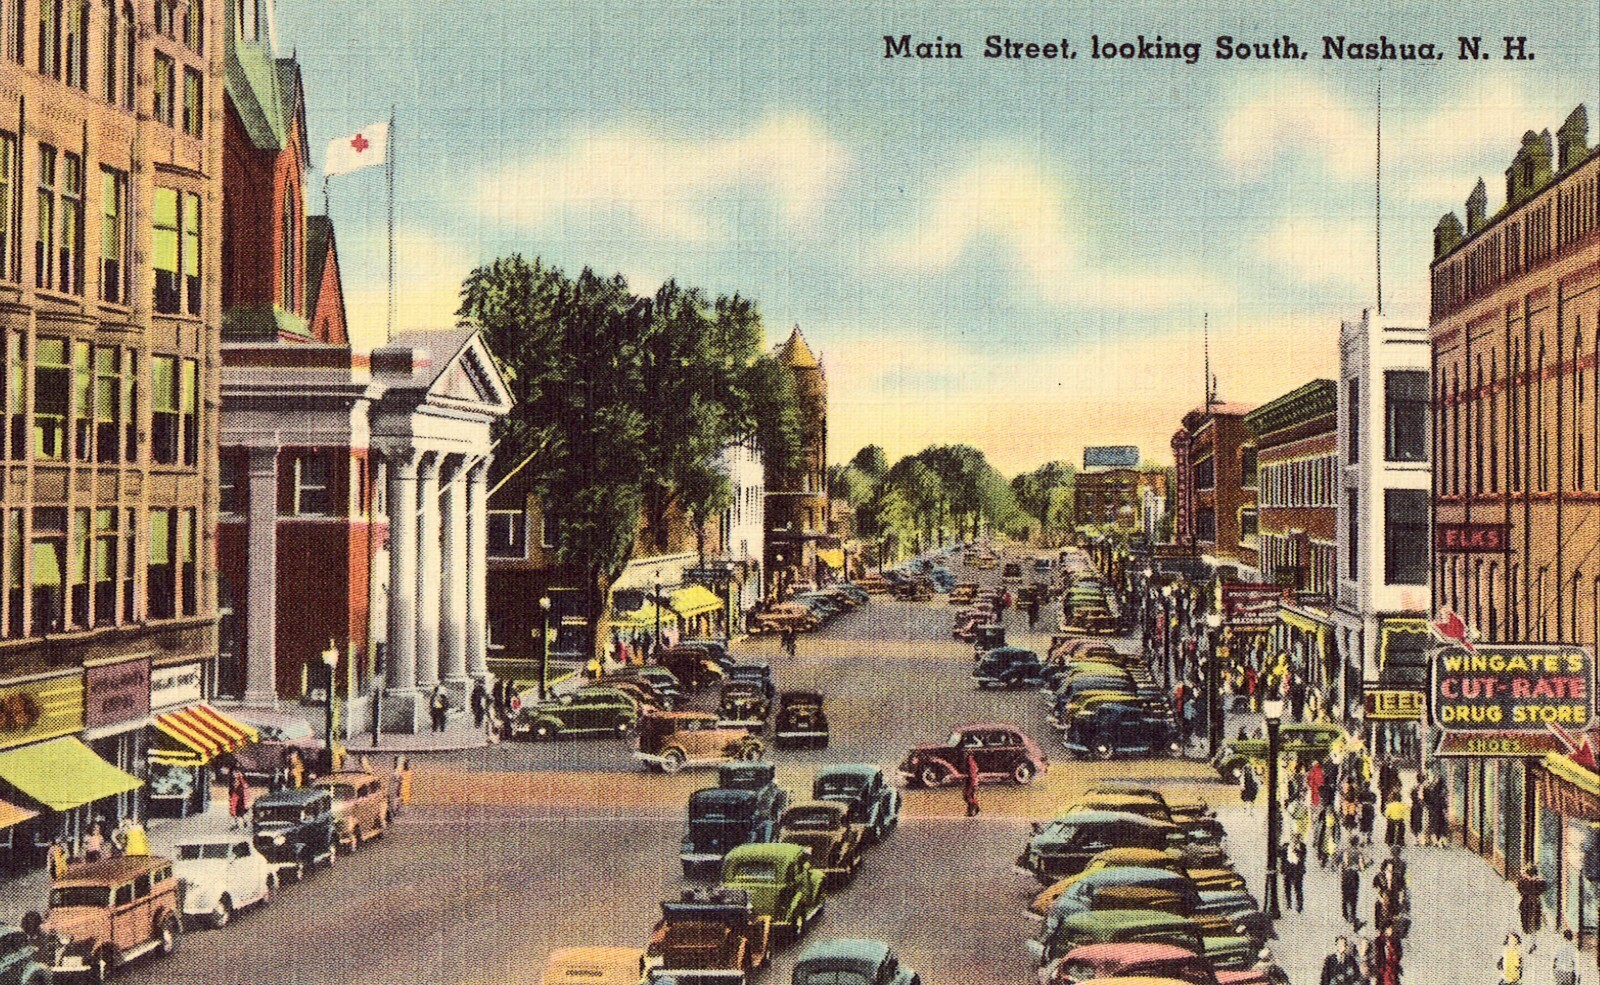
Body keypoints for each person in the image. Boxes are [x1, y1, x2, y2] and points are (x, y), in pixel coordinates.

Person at [1333, 835, 1370, 928]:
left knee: (1345, 894)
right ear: (1357, 843)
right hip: (1354, 875)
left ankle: (1345, 914)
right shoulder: (1358, 853)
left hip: (1345, 874)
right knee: (1354, 896)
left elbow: (1335, 862)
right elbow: (1362, 867)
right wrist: (1369, 863)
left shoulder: (1343, 851)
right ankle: (1352, 916)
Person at [1516, 863, 1548, 935]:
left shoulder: (1523, 881)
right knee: (1534, 915)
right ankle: (1534, 929)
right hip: (1535, 901)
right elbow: (1542, 889)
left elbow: (1520, 889)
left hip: (1526, 901)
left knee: (1526, 915)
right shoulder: (1540, 882)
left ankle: (1527, 930)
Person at [1281, 835, 1307, 913]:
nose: (1295, 841)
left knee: (1298, 888)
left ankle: (1299, 905)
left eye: (1297, 839)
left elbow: (1303, 857)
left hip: (1297, 870)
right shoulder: (1285, 846)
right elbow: (1280, 856)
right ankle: (1288, 903)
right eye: (1293, 839)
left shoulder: (1302, 846)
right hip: (1288, 869)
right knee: (1287, 887)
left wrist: (1297, 851)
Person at [962, 751, 980, 817]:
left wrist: (973, 781)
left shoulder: (970, 761)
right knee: (969, 796)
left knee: (967, 796)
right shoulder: (972, 761)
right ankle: (973, 809)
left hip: (971, 780)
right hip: (972, 780)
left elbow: (972, 772)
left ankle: (973, 809)